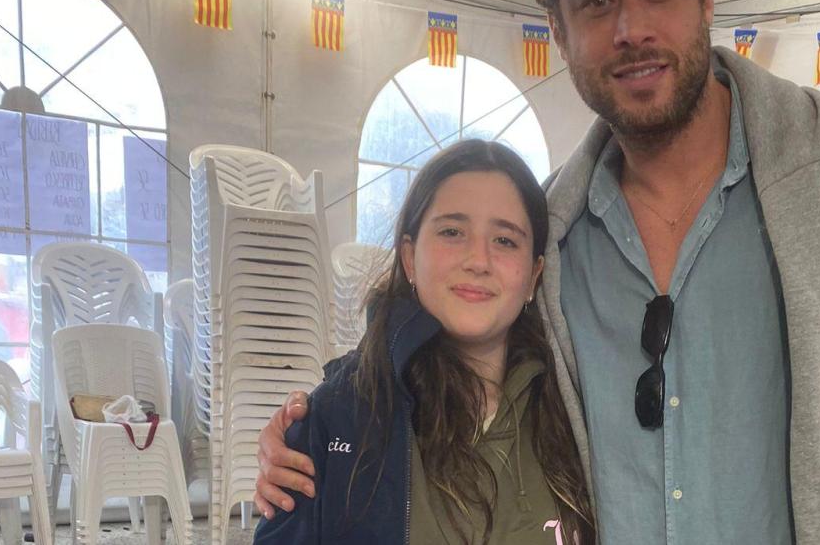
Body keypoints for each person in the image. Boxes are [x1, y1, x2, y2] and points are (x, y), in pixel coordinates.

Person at [256, 0, 820, 542]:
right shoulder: (552, 237)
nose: (632, 29)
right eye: (597, 0)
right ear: (558, 27)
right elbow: (431, 342)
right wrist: (316, 428)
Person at [253, 140, 595, 545]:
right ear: (410, 257)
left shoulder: (574, 410)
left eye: (505, 240)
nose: (478, 260)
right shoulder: (338, 414)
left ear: (534, 276)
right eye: (452, 231)